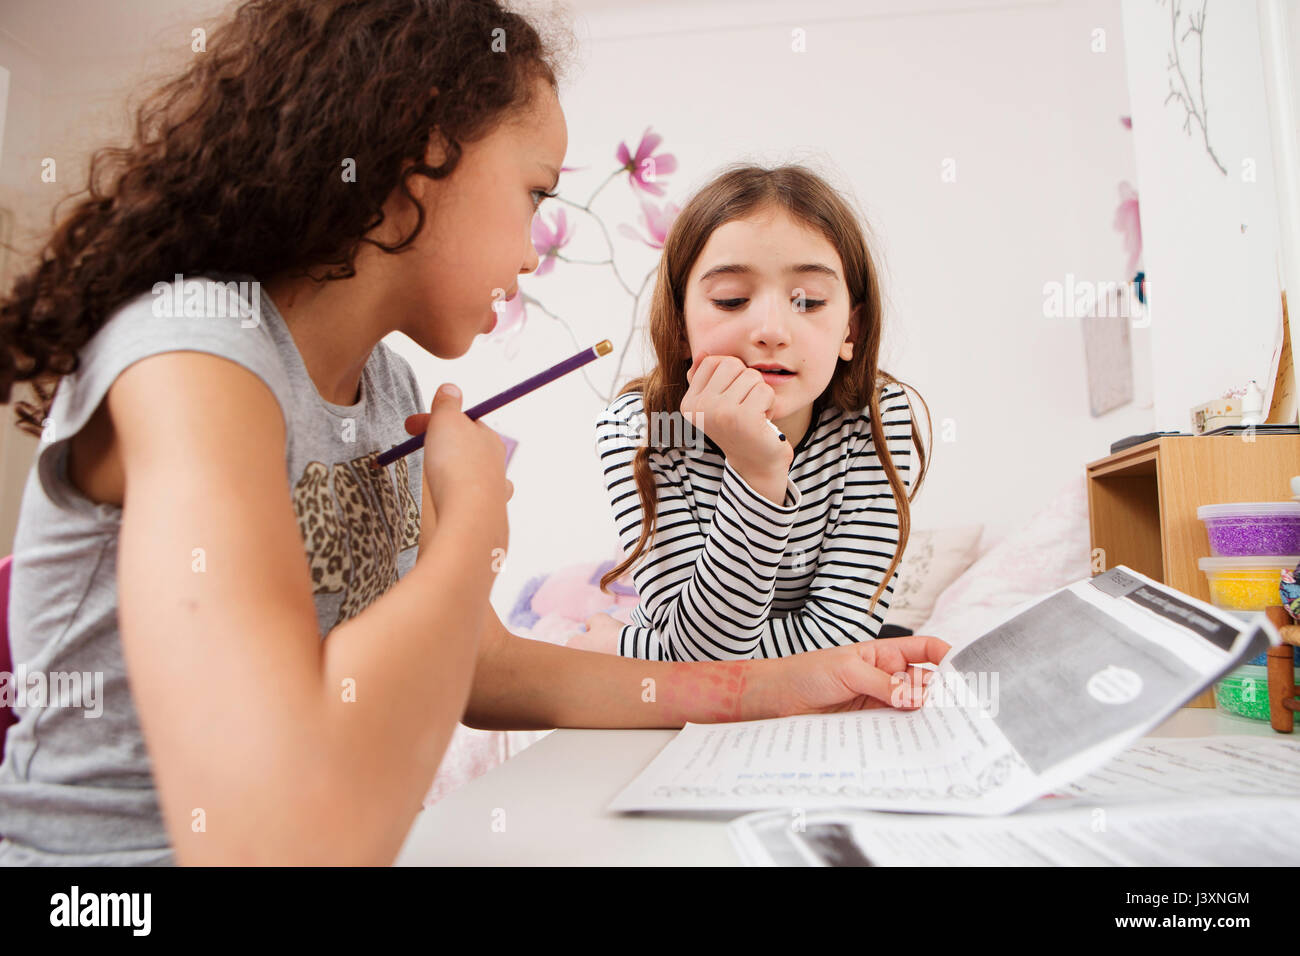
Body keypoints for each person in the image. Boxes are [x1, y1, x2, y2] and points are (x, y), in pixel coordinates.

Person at [0, 0, 948, 866]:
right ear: (421, 150)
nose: (537, 244)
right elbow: (274, 835)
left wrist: (776, 688)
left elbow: (483, 664)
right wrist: (470, 534)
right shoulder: (196, 359)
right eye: (536, 193)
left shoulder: (386, 388)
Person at [578, 165, 930, 661]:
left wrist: (629, 646)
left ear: (850, 329)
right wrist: (756, 471)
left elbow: (838, 643)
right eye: (732, 299)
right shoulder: (638, 430)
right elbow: (704, 658)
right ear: (680, 325)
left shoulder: (875, 418)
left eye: (808, 301)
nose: (771, 329)